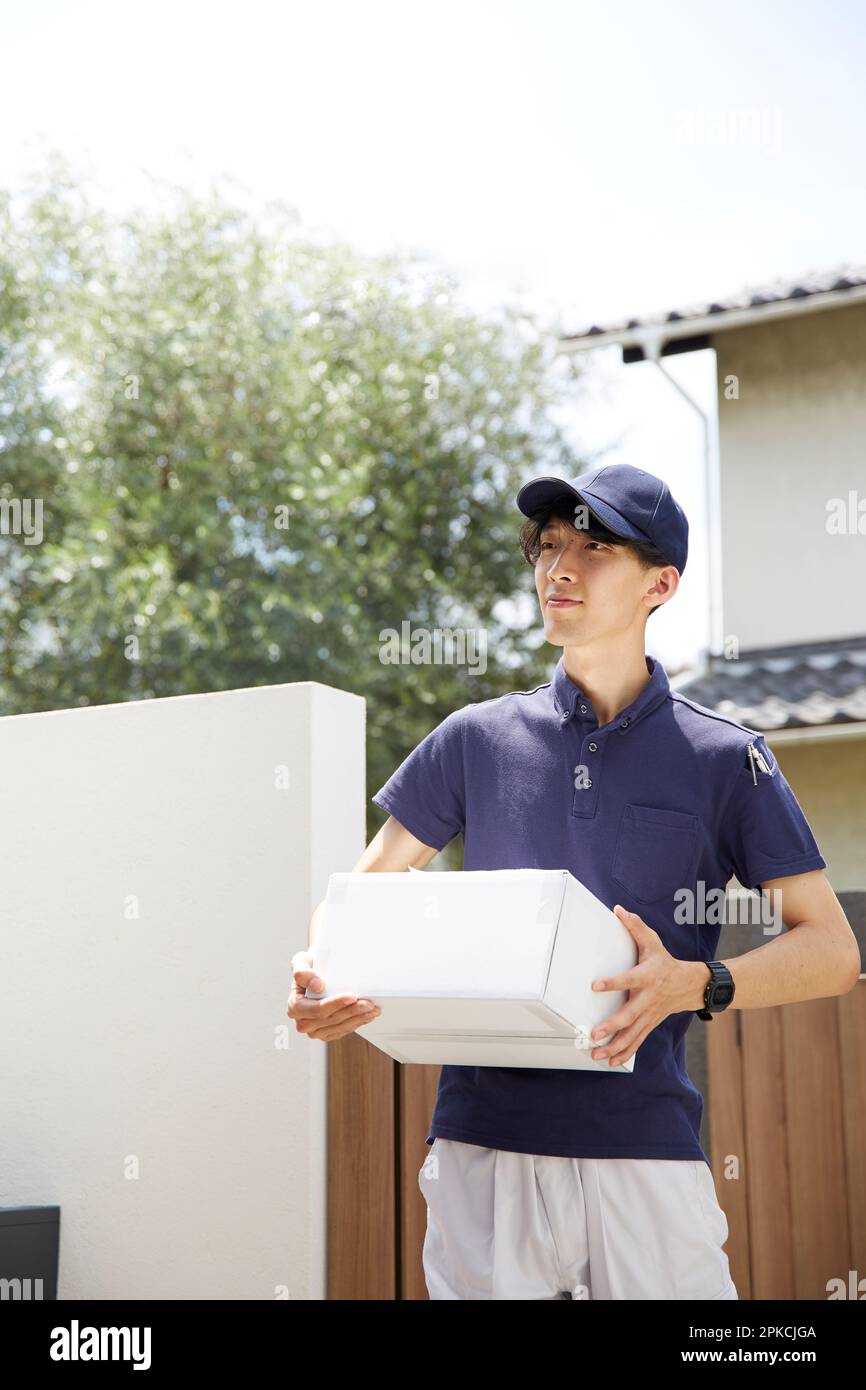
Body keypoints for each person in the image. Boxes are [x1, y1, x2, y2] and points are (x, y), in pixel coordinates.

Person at [287, 463, 860, 1301]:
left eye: (594, 548)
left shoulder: (725, 758)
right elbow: (360, 896)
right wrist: (313, 974)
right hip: (482, 1155)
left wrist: (698, 982)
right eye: (549, 546)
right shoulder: (471, 741)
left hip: (644, 1154)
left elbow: (833, 951)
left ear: (660, 583)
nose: (559, 568)